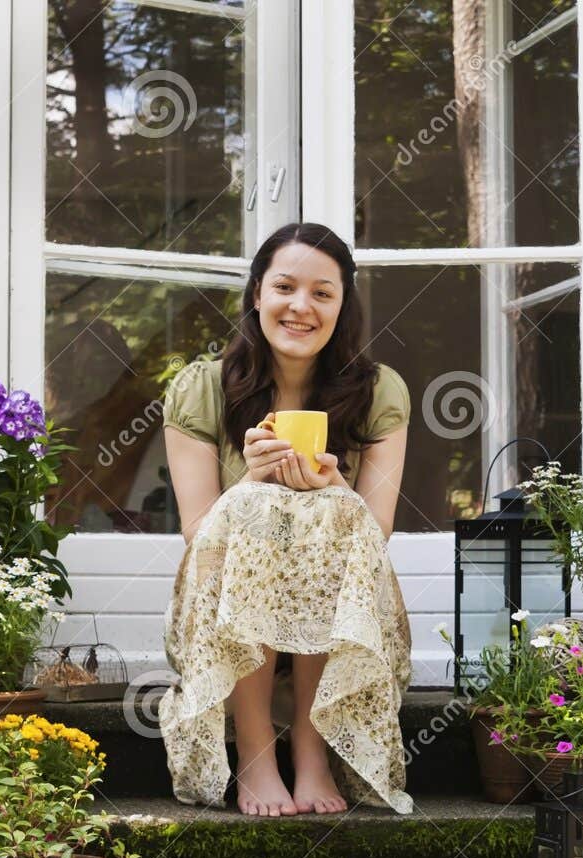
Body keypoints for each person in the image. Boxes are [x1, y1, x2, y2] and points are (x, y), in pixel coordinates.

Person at [159, 222, 413, 817]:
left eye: (323, 293)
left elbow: (374, 530)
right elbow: (199, 533)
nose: (301, 307)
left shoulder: (379, 392)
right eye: (285, 287)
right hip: (224, 600)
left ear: (342, 305)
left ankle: (311, 747)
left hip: (340, 601)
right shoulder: (203, 388)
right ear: (256, 295)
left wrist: (335, 486)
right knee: (256, 510)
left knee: (325, 517)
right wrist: (250, 480)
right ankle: (253, 755)